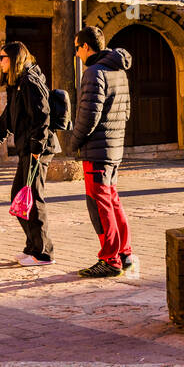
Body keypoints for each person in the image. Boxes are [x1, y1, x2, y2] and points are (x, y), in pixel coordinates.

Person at [69, 26, 136, 279]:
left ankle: (110, 259)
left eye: (77, 48)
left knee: (100, 203)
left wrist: (74, 142)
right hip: (114, 147)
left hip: (96, 150)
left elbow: (88, 116)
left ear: (86, 47)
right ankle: (125, 252)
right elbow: (127, 110)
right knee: (113, 200)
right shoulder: (118, 70)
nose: (76, 54)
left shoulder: (94, 72)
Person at [0, 41, 60, 266]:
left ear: (14, 59)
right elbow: (9, 116)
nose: (0, 62)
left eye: (3, 57)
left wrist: (37, 149)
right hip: (27, 149)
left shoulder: (30, 81)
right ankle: (32, 246)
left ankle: (43, 253)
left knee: (33, 198)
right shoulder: (17, 83)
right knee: (19, 198)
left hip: (37, 150)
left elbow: (43, 116)